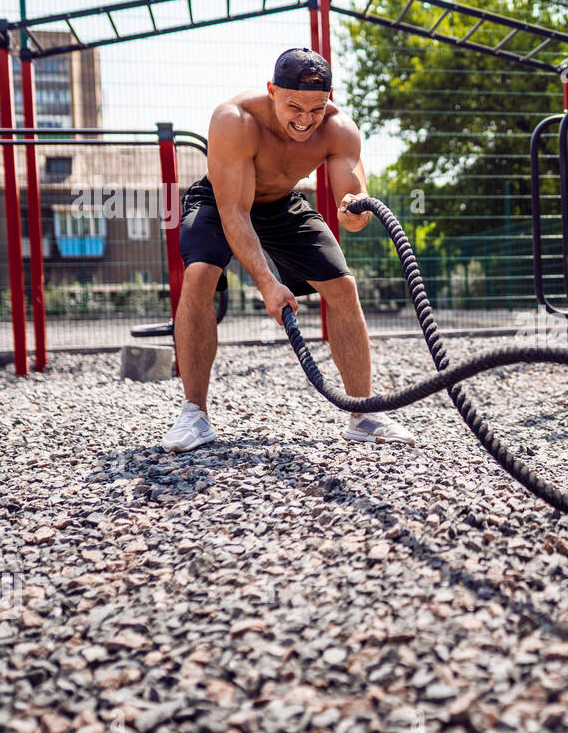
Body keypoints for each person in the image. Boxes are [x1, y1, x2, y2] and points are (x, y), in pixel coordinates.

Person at [161, 47, 414, 452]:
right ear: (272, 91)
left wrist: (355, 212)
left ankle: (363, 415)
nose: (304, 119)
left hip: (282, 204)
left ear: (329, 99)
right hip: (221, 203)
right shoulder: (235, 120)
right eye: (294, 106)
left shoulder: (339, 129)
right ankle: (195, 414)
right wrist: (268, 284)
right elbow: (234, 212)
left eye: (316, 108)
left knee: (343, 287)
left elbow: (352, 193)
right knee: (200, 274)